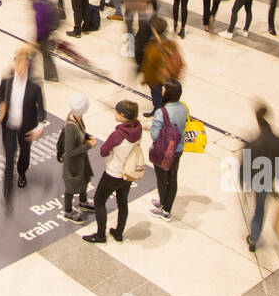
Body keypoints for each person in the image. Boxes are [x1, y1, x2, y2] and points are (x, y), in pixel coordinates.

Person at [83, 100, 143, 244]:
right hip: (127, 174)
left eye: (116, 111)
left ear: (123, 115)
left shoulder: (118, 134)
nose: (114, 113)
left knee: (99, 200)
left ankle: (100, 235)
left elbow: (103, 151)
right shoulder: (138, 128)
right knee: (122, 202)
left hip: (113, 173)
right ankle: (119, 232)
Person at [0, 48, 45, 211]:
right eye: (18, 64)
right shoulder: (6, 81)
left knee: (24, 153)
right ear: (15, 63)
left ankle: (22, 172)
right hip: (9, 127)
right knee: (9, 159)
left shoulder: (35, 86)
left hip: (26, 127)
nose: (21, 68)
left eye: (24, 65)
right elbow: (0, 99)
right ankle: (7, 194)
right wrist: (0, 112)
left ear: (28, 65)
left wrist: (40, 125)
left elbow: (41, 109)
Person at [242, 103, 279, 252]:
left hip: (256, 178)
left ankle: (254, 236)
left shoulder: (252, 143)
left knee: (258, 207)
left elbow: (245, 165)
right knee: (260, 208)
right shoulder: (277, 140)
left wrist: (244, 183)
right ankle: (254, 237)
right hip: (267, 178)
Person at [150, 81, 188, 223]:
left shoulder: (162, 112)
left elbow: (154, 135)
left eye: (164, 88)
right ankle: (165, 206)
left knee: (162, 179)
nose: (162, 90)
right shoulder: (183, 108)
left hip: (164, 151)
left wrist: (153, 125)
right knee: (172, 178)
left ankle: (164, 209)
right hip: (177, 149)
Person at [60, 94, 97, 223]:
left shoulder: (77, 117)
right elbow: (70, 151)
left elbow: (81, 134)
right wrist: (88, 145)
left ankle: (83, 202)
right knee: (71, 187)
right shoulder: (71, 126)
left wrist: (88, 137)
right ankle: (68, 211)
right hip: (73, 163)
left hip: (81, 159)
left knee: (85, 180)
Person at [140, 17, 182, 115]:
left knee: (157, 96)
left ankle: (158, 112)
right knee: (164, 96)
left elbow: (149, 64)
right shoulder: (171, 43)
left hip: (156, 78)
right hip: (168, 77)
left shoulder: (153, 46)